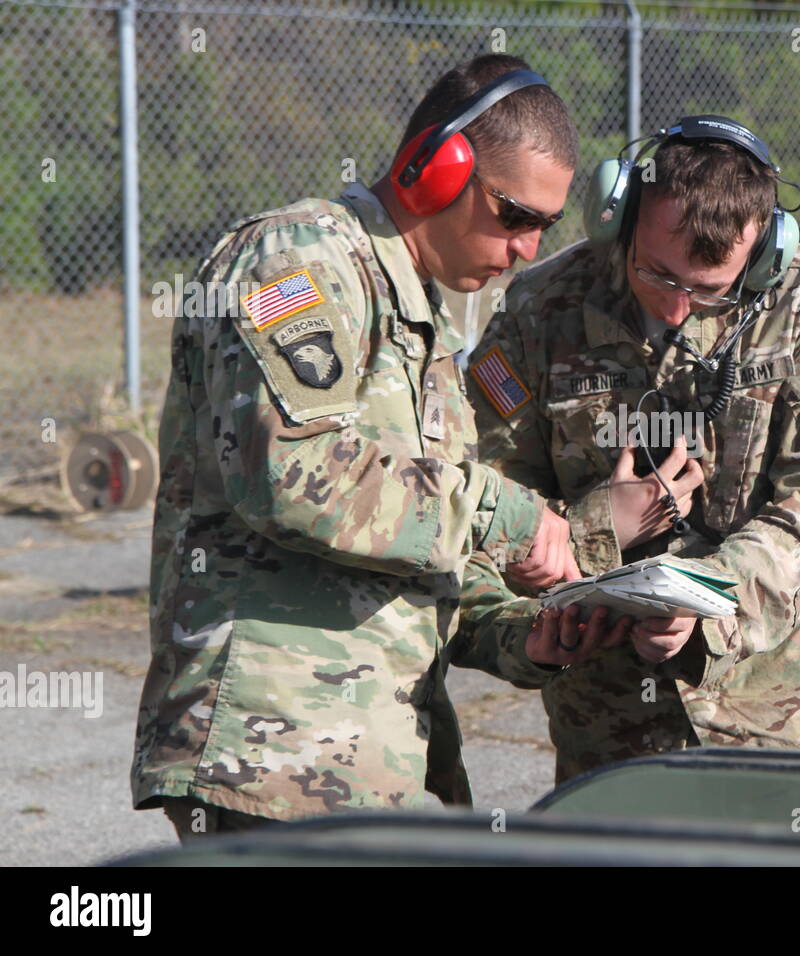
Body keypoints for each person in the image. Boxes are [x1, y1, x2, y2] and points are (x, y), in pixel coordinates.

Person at [131, 55, 626, 838]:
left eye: (546, 226)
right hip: (272, 761)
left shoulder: (418, 323)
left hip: (365, 763)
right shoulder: (298, 260)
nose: (530, 248)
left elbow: (414, 551)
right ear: (436, 170)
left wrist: (523, 635)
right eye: (516, 215)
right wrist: (512, 514)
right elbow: (290, 475)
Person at [466, 115, 800, 782]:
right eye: (657, 273)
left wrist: (706, 605)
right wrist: (580, 541)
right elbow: (485, 493)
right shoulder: (540, 309)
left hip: (797, 708)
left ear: (763, 254)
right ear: (620, 218)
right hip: (612, 726)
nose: (676, 308)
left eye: (707, 289)